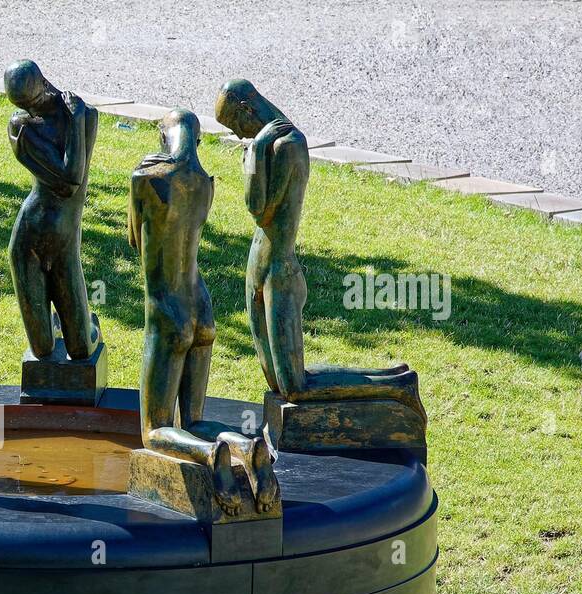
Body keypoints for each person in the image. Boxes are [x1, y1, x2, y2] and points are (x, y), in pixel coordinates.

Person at [215, 79, 423, 417]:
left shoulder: (287, 146)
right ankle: (393, 377)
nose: (239, 135)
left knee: (295, 386)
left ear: (247, 109)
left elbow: (259, 210)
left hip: (279, 274)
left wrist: (255, 156)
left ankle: (396, 388)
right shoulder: (271, 144)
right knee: (277, 382)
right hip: (258, 268)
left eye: (236, 125)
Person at [130, 109, 278, 514]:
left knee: (154, 430)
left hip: (167, 310)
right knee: (194, 419)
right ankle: (247, 447)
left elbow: (135, 239)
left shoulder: (146, 178)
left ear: (164, 138)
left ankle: (213, 456)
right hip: (202, 305)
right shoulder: (205, 184)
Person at [5, 60, 101, 363]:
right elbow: (68, 181)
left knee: (81, 349)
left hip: (64, 241)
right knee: (42, 349)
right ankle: (60, 326)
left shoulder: (85, 114)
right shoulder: (21, 128)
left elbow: (76, 175)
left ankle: (80, 325)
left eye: (31, 102)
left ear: (44, 84)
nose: (28, 110)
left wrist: (76, 119)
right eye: (22, 105)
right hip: (29, 241)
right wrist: (75, 122)